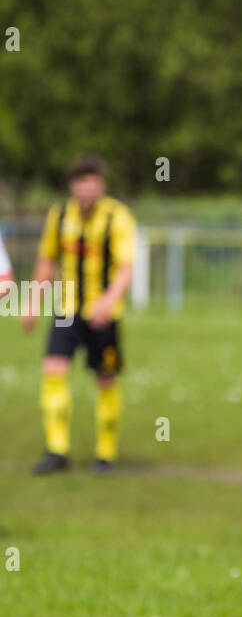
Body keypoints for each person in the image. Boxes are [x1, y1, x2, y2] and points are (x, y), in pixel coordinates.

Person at [21, 154, 136, 474]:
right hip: (67, 310)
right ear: (73, 186)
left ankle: (105, 453)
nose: (87, 189)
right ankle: (57, 450)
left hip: (104, 314)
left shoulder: (117, 217)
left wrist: (108, 301)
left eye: (93, 182)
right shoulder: (59, 216)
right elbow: (47, 261)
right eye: (81, 182)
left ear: (102, 185)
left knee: (105, 379)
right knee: (53, 370)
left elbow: (126, 268)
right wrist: (32, 302)